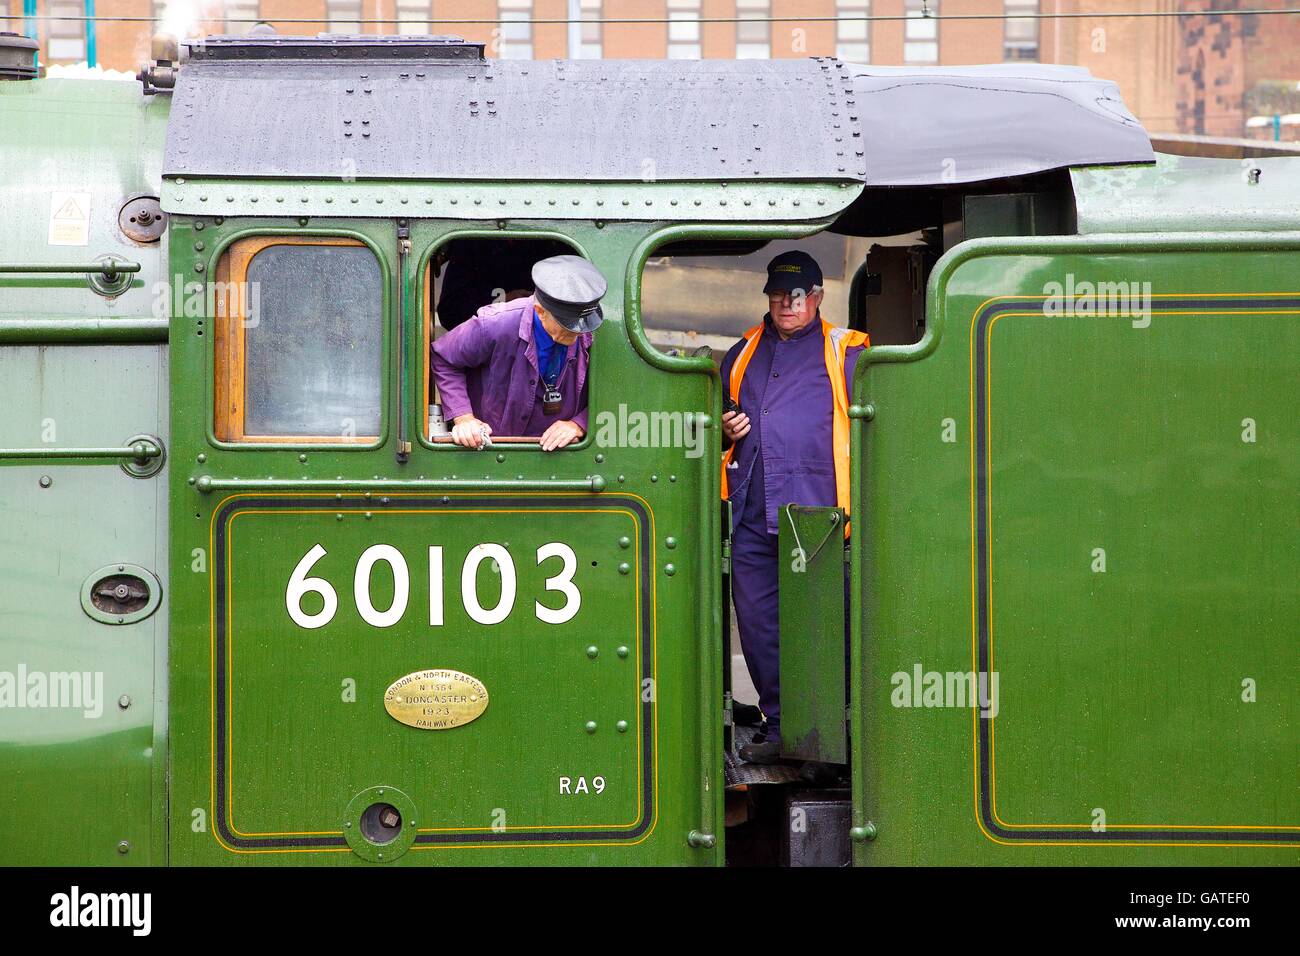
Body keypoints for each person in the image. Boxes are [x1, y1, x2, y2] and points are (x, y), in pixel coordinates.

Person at [719, 250, 870, 764]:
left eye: (798, 295)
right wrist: (723, 430)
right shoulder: (740, 353)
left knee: (820, 630)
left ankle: (825, 746)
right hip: (752, 511)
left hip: (819, 518)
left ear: (818, 297)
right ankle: (781, 726)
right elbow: (710, 423)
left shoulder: (849, 353)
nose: (787, 304)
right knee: (759, 625)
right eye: (779, 295)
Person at [431, 255, 605, 452]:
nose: (577, 335)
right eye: (568, 326)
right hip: (494, 451)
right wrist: (464, 418)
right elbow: (444, 357)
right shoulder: (495, 323)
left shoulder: (592, 327)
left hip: (564, 455)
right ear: (540, 311)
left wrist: (580, 424)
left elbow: (617, 390)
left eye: (582, 326)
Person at [434, 238, 574, 331]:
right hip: (485, 353)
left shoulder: (554, 243)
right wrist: (502, 301)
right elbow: (450, 311)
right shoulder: (471, 242)